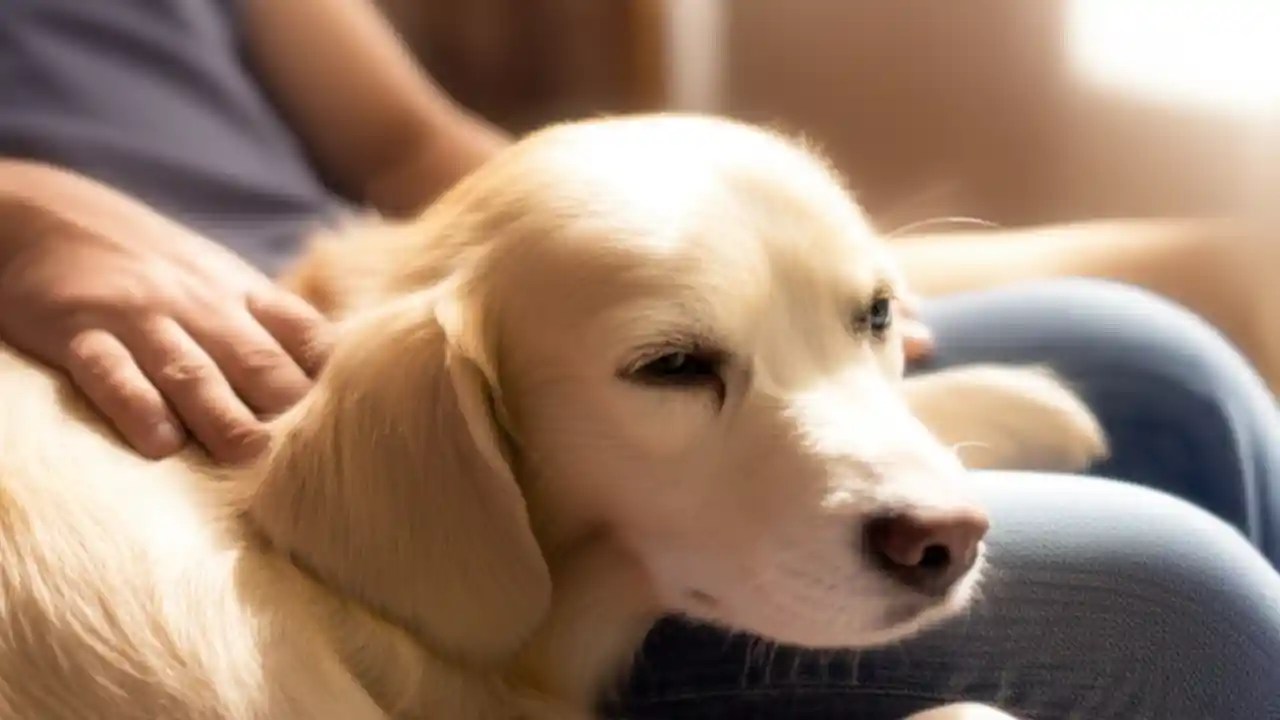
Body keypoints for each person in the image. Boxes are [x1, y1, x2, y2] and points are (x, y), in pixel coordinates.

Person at [1, 1, 1278, 717]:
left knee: (1159, 371)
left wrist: (691, 267)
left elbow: (403, 144)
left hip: (411, 278)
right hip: (293, 425)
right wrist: (21, 219)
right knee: (1173, 608)